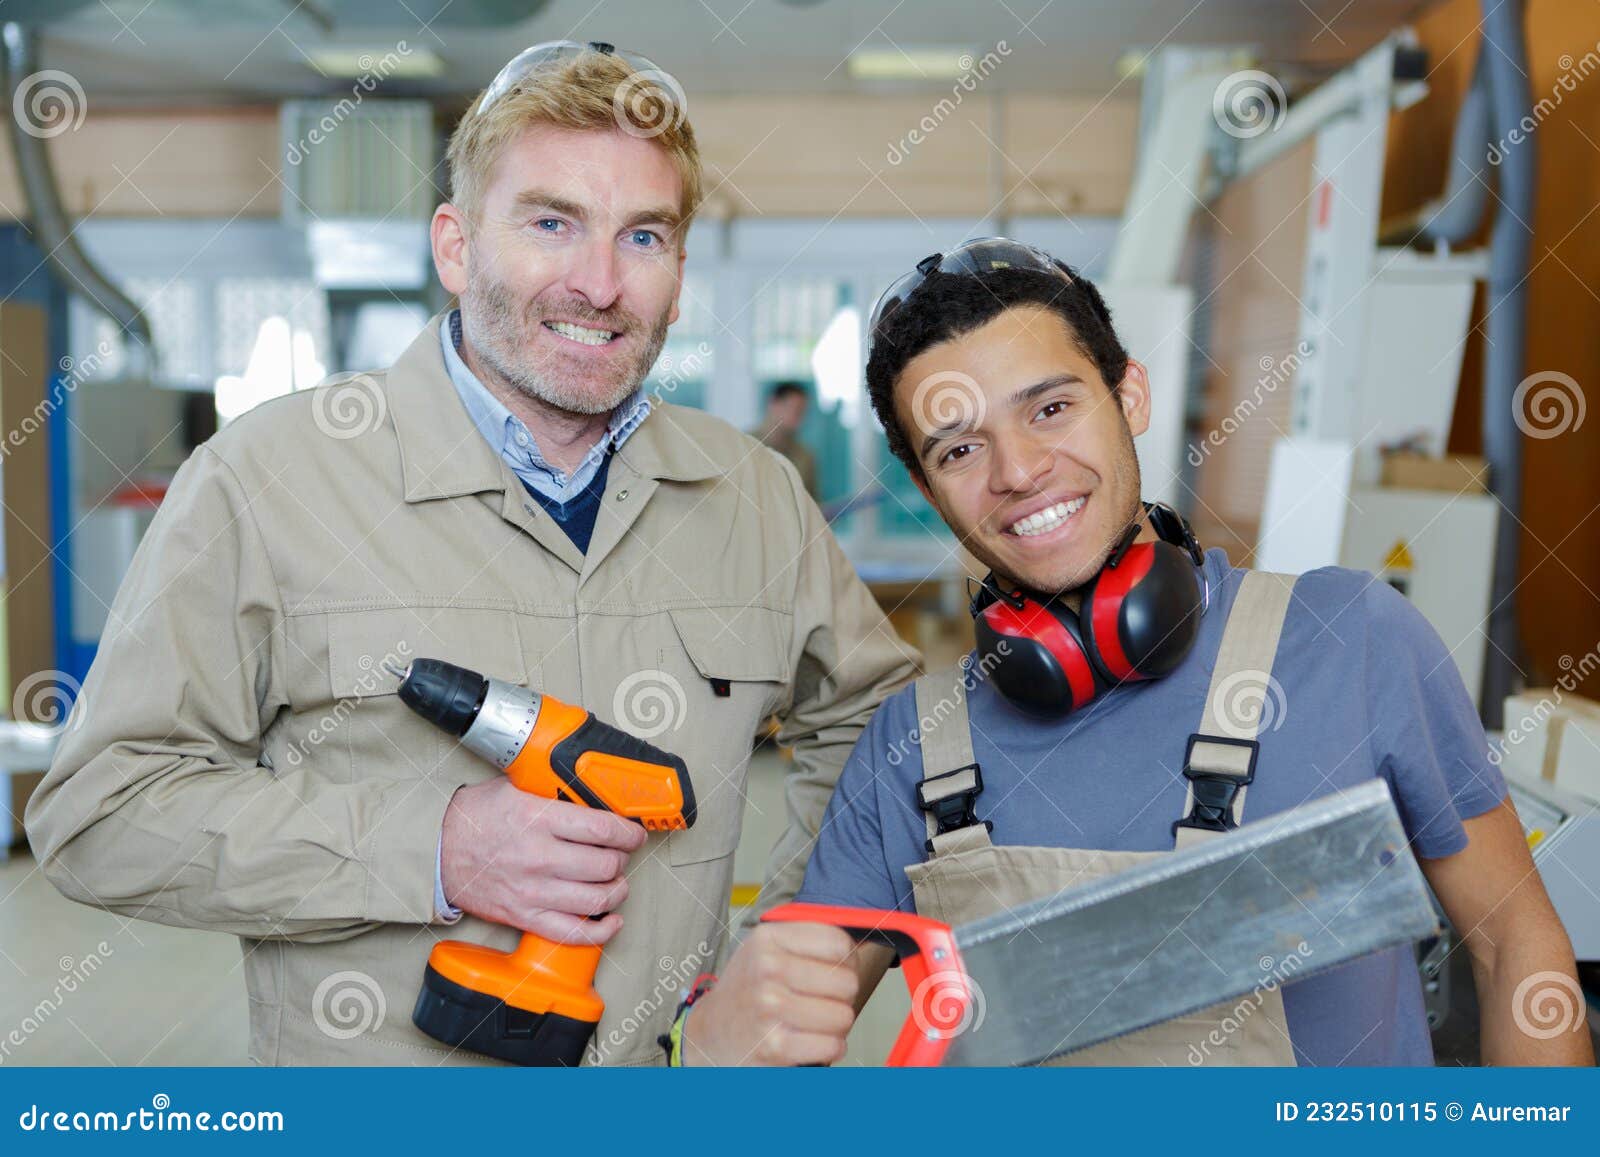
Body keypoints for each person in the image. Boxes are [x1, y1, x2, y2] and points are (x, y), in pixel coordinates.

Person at [26, 42, 916, 1067]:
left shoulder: (753, 494)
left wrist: (800, 946)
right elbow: (101, 811)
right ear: (455, 245)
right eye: (550, 222)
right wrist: (433, 846)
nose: (598, 282)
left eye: (643, 235)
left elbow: (877, 730)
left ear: (678, 269)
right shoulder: (263, 481)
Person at [681, 238, 1593, 1067]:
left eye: (1050, 406)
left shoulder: (1350, 639)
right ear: (927, 487)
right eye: (961, 449)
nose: (1019, 469)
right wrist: (712, 1039)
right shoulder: (909, 747)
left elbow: (1517, 944)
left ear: (1131, 395)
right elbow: (778, 1047)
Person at [750, 381, 818, 498]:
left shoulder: (805, 456)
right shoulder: (744, 445)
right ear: (773, 403)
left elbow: (812, 505)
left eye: (802, 412)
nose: (798, 417)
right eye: (794, 409)